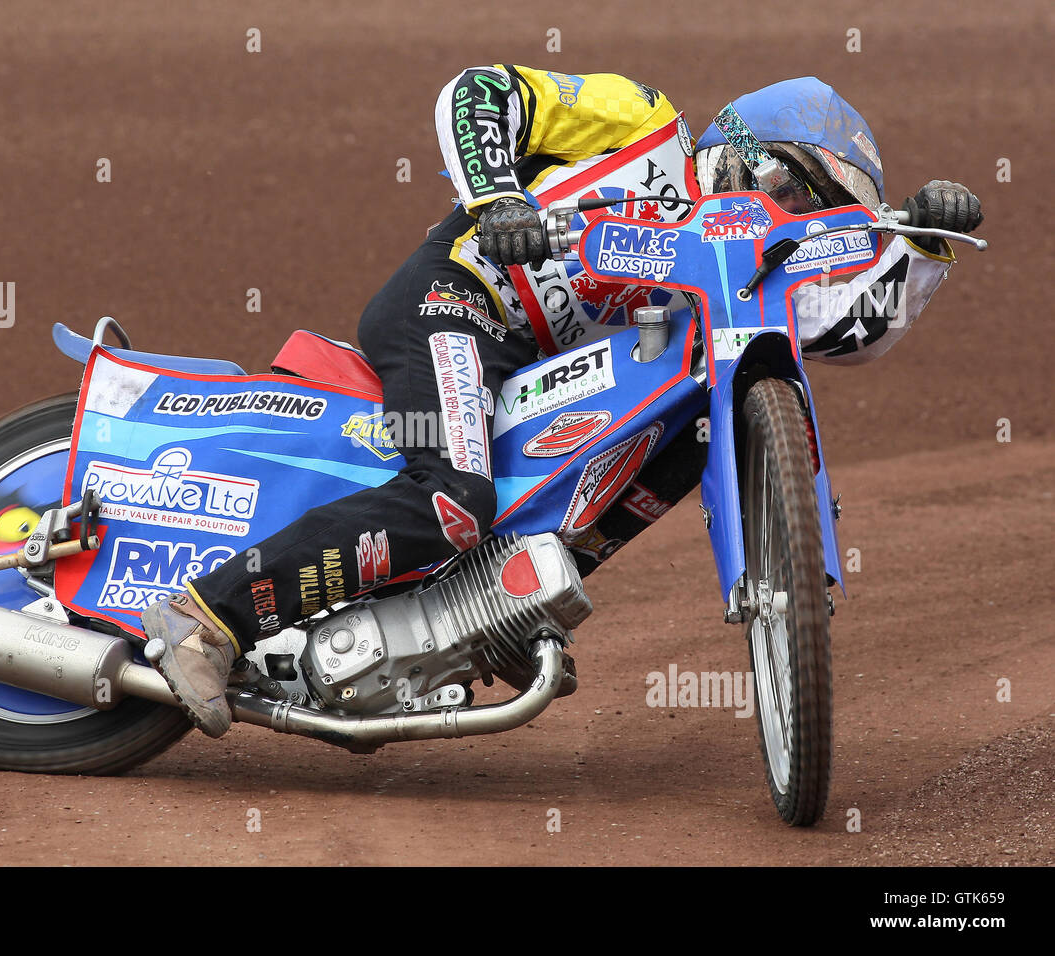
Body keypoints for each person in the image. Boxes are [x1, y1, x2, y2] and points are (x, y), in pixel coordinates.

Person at [140, 68, 983, 737]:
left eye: (816, 216)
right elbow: (480, 92)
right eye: (792, 188)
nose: (790, 218)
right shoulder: (640, 118)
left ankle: (500, 608)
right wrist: (499, 197)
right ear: (739, 147)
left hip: (537, 375)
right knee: (450, 501)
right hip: (462, 298)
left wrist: (923, 241)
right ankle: (206, 618)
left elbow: (849, 326)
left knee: (694, 409)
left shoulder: (744, 277)